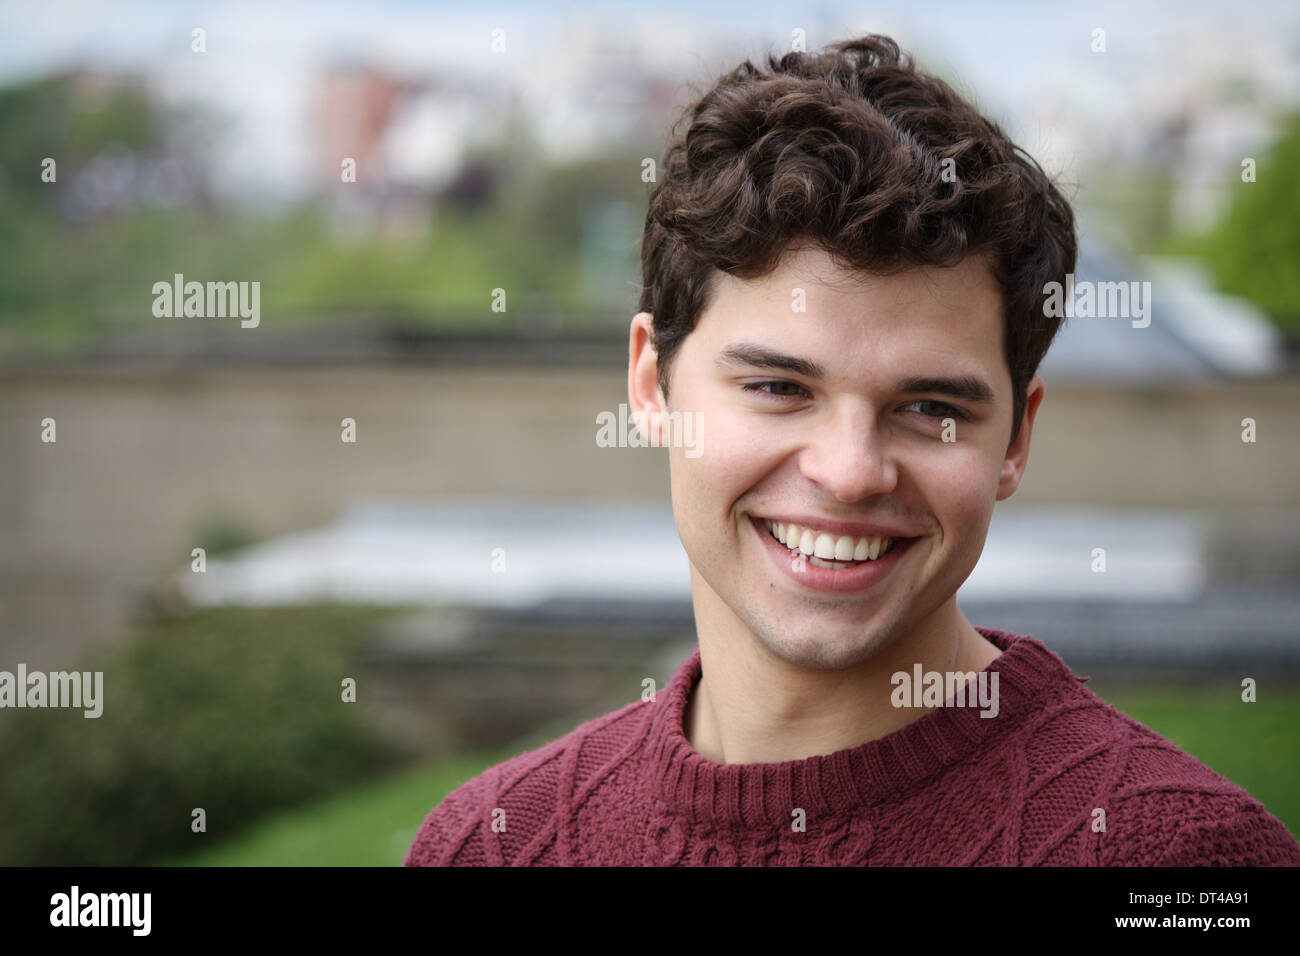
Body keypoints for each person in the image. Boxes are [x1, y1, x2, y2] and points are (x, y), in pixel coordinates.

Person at [405, 33, 1300, 866]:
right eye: (778, 388)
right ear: (651, 384)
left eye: (928, 406)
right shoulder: (490, 845)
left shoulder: (1183, 867)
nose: (847, 471)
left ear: (1016, 439)